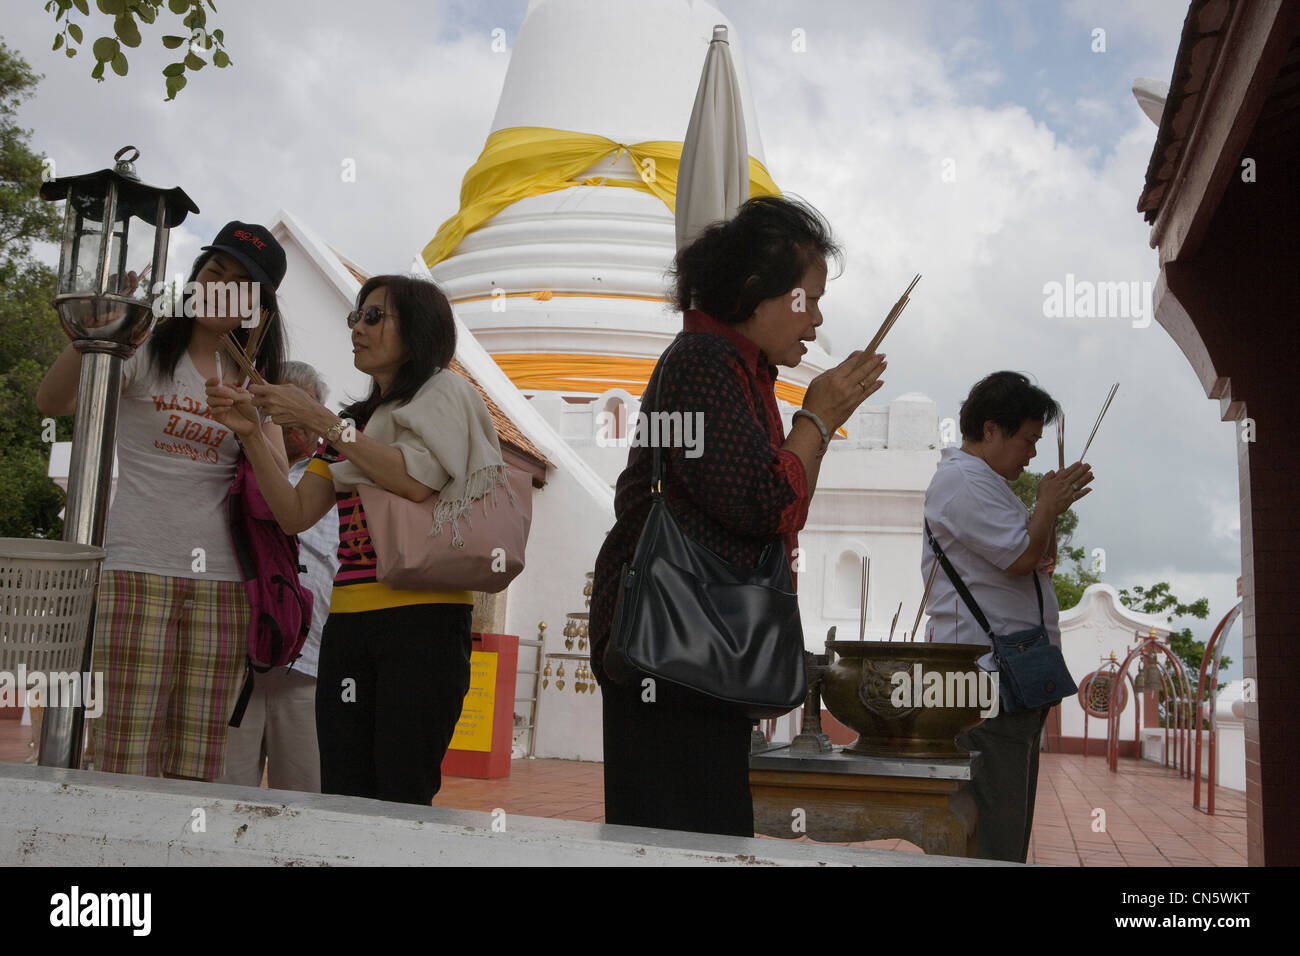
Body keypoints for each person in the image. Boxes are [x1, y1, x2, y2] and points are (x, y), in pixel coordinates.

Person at [589, 196, 888, 837]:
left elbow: (778, 508)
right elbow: (764, 502)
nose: (817, 319)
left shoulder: (736, 370)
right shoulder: (703, 363)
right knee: (684, 838)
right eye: (807, 299)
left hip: (695, 649)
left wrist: (813, 421)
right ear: (757, 291)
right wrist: (818, 417)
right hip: (675, 651)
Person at [206, 275, 505, 806]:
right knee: (343, 791)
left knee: (402, 791)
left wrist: (320, 421)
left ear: (417, 329)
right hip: (347, 625)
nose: (357, 329)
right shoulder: (355, 423)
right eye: (355, 317)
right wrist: (252, 434)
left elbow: (413, 479)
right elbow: (295, 514)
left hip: (424, 623)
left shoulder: (445, 391)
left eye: (373, 317)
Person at [35, 220, 291, 781]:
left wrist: (253, 426)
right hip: (135, 567)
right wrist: (95, 334)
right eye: (212, 271)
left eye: (237, 283)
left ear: (257, 307)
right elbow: (51, 402)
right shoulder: (145, 352)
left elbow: (283, 498)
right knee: (126, 748)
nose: (217, 286)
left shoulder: (253, 382)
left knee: (200, 758)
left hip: (224, 585)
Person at [921, 370, 1094, 862]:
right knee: (996, 824)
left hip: (1010, 677)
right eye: (1028, 439)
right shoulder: (962, 482)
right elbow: (1021, 558)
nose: (1033, 453)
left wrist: (1049, 511)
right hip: (986, 682)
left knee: (1006, 817)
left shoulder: (987, 483)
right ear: (991, 429)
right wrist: (1044, 505)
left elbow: (1039, 559)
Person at [219, 360, 339, 792]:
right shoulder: (229, 469)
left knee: (304, 797)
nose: (283, 422)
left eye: (293, 410)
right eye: (271, 406)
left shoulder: (333, 478)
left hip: (308, 666)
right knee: (226, 794)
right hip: (239, 662)